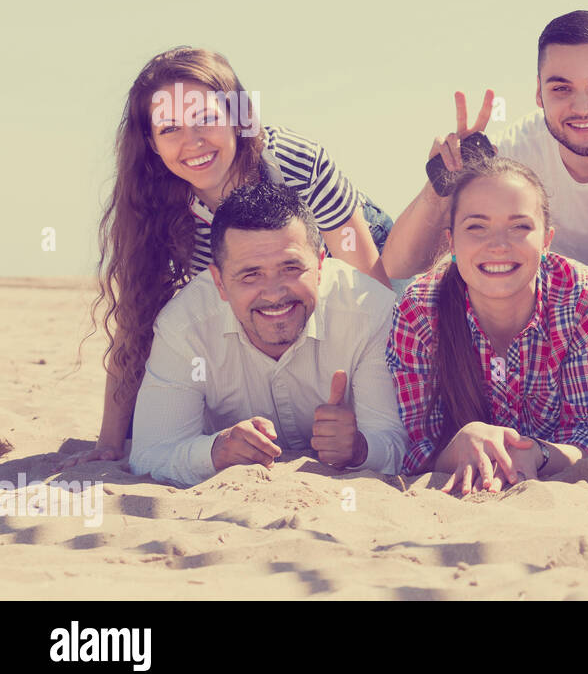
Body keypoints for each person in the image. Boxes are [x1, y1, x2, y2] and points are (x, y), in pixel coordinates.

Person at [67, 46, 416, 468]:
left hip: (351, 249)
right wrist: (110, 439)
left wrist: (362, 431)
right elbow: (135, 318)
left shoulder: (294, 162)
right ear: (151, 143)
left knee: (404, 326)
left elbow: (370, 300)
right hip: (262, 282)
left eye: (207, 119)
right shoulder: (155, 206)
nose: (192, 141)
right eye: (170, 128)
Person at [383, 9, 588, 290]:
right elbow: (397, 270)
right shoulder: (517, 154)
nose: (582, 106)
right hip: (559, 335)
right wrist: (441, 188)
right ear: (539, 95)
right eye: (561, 88)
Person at [128, 182, 407, 487]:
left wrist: (359, 449)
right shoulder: (184, 328)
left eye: (291, 268)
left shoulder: (371, 311)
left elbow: (399, 443)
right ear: (219, 282)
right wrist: (214, 451)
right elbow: (150, 454)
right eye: (251, 274)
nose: (274, 294)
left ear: (319, 265)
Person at [387, 157, 588, 495]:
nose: (498, 244)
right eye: (476, 227)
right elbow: (413, 445)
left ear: (546, 241)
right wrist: (460, 447)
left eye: (519, 226)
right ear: (452, 243)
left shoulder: (584, 299)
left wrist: (536, 454)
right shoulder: (419, 310)